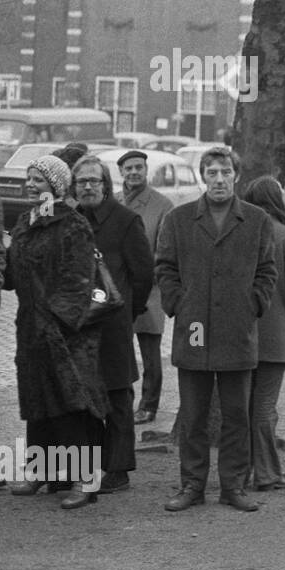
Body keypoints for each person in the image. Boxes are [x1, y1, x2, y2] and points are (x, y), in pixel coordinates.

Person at [156, 146, 277, 513]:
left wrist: (252, 304)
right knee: (193, 415)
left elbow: (268, 271)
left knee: (236, 415)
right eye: (212, 172)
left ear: (236, 176)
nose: (219, 179)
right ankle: (192, 484)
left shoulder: (257, 220)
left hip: (237, 331)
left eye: (225, 172)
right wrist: (179, 302)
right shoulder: (179, 220)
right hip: (193, 327)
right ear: (202, 176)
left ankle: (233, 486)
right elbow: (164, 268)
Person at [6, 156, 108, 509]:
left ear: (57, 186)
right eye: (29, 179)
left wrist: (58, 321)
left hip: (67, 334)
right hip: (30, 329)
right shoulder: (25, 222)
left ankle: (84, 481)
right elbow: (16, 275)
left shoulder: (73, 225)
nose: (31, 185)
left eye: (39, 180)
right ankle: (40, 471)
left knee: (71, 407)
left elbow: (80, 281)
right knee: (37, 403)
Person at [71, 155, 153, 495]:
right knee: (87, 396)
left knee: (118, 396)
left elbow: (144, 273)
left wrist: (128, 312)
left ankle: (118, 469)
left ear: (106, 184)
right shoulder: (73, 220)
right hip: (80, 326)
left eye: (94, 180)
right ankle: (90, 466)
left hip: (115, 325)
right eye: (82, 182)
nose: (88, 186)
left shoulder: (126, 221)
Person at [243, 176, 285, 492]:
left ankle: (242, 471)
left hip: (242, 332)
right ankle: (267, 473)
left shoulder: (241, 232)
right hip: (277, 330)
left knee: (244, 404)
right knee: (265, 407)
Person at [119, 150, 173, 426]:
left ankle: (149, 405)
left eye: (138, 167)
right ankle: (120, 402)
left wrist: (140, 273)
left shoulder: (162, 205)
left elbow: (164, 250)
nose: (134, 172)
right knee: (118, 349)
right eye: (128, 168)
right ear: (121, 173)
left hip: (148, 289)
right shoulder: (114, 201)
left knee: (150, 351)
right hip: (116, 290)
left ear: (146, 170)